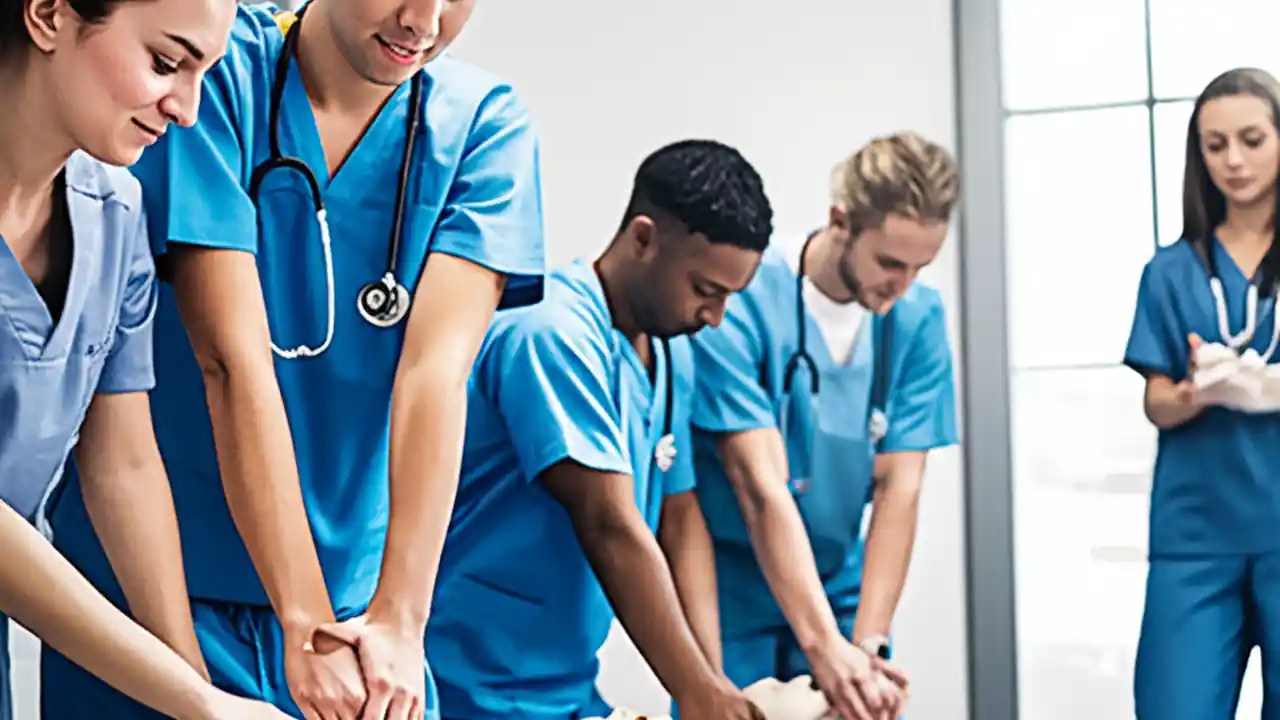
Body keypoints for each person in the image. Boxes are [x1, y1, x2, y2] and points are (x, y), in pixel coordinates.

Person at [43, 1, 546, 719]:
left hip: (357, 624)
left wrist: (399, 620)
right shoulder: (212, 71)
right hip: (153, 590)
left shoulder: (484, 127)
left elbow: (435, 376)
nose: (423, 20)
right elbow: (230, 359)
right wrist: (300, 622)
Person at [0, 0, 287, 717]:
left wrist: (197, 687)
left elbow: (122, 465)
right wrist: (196, 702)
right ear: (48, 14)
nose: (187, 110)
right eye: (165, 63)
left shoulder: (116, 211)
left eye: (203, 74)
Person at [423, 139, 776, 720]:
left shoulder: (669, 350)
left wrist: (712, 684)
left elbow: (679, 517)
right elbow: (607, 522)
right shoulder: (549, 334)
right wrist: (699, 692)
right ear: (643, 238)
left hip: (565, 685)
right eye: (705, 291)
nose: (715, 318)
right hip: (468, 684)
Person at [689, 131, 960, 719]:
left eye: (920, 267)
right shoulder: (743, 297)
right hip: (734, 587)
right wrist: (821, 649)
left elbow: (899, 487)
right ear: (841, 222)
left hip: (841, 583)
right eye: (890, 263)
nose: (903, 286)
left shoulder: (917, 319)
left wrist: (867, 646)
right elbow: (758, 486)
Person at [1125, 67, 1280, 719]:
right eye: (1215, 146)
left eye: (1251, 140)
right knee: (1176, 706)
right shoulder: (1170, 271)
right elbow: (1156, 401)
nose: (1233, 161)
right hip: (1196, 535)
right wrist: (1199, 391)